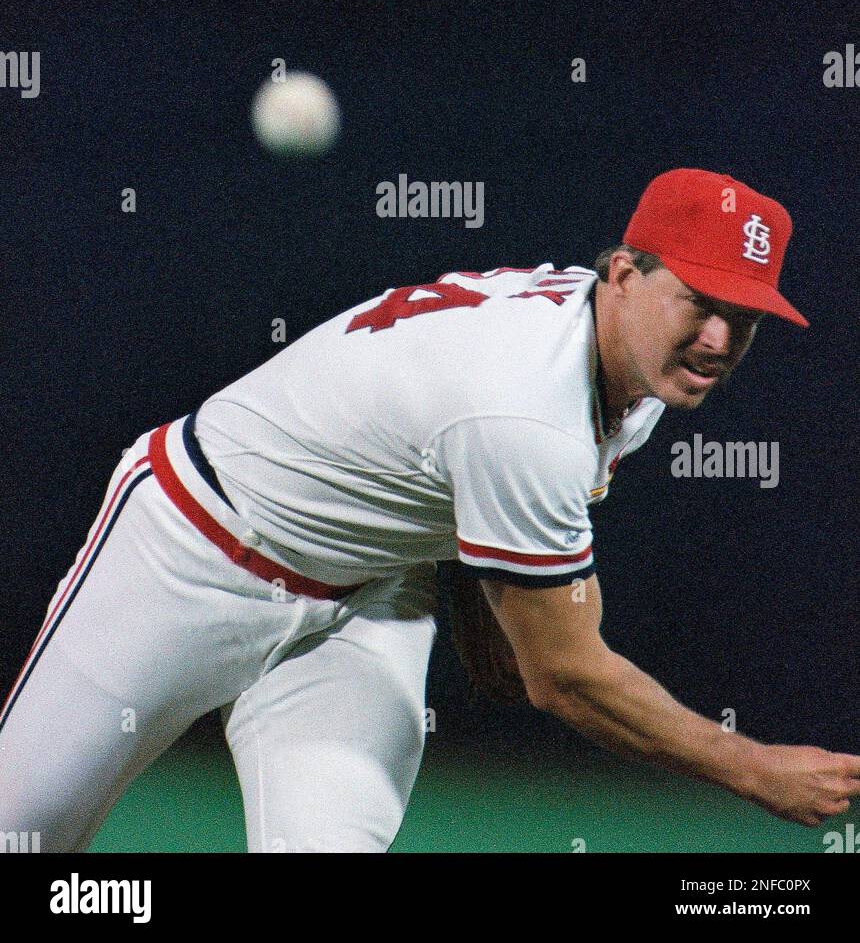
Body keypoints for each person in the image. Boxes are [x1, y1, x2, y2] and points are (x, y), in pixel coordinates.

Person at [1, 167, 856, 852]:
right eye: (700, 303)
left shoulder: (627, 356)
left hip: (367, 595)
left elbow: (452, 452)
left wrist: (481, 569)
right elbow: (563, 674)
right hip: (189, 548)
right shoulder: (525, 404)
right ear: (624, 275)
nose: (718, 340)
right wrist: (750, 766)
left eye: (743, 318)